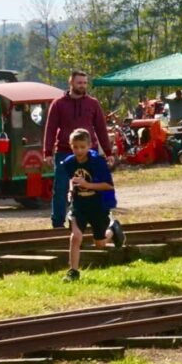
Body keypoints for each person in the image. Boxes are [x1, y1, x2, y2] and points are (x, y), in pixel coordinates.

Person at [41, 68, 111, 229]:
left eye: (85, 83)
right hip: (65, 152)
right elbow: (50, 128)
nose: (82, 85)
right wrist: (47, 151)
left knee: (93, 186)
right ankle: (57, 224)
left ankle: (95, 220)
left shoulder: (93, 103)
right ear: (71, 82)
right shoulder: (58, 104)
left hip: (89, 152)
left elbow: (101, 128)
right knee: (60, 188)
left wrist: (107, 152)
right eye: (79, 82)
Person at [59, 127, 120, 277]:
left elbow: (108, 185)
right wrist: (70, 190)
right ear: (70, 145)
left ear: (89, 146)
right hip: (79, 204)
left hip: (97, 205)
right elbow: (71, 179)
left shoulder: (97, 162)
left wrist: (87, 185)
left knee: (100, 244)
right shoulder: (69, 162)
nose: (79, 151)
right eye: (75, 147)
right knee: (76, 237)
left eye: (82, 147)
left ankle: (114, 229)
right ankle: (73, 271)